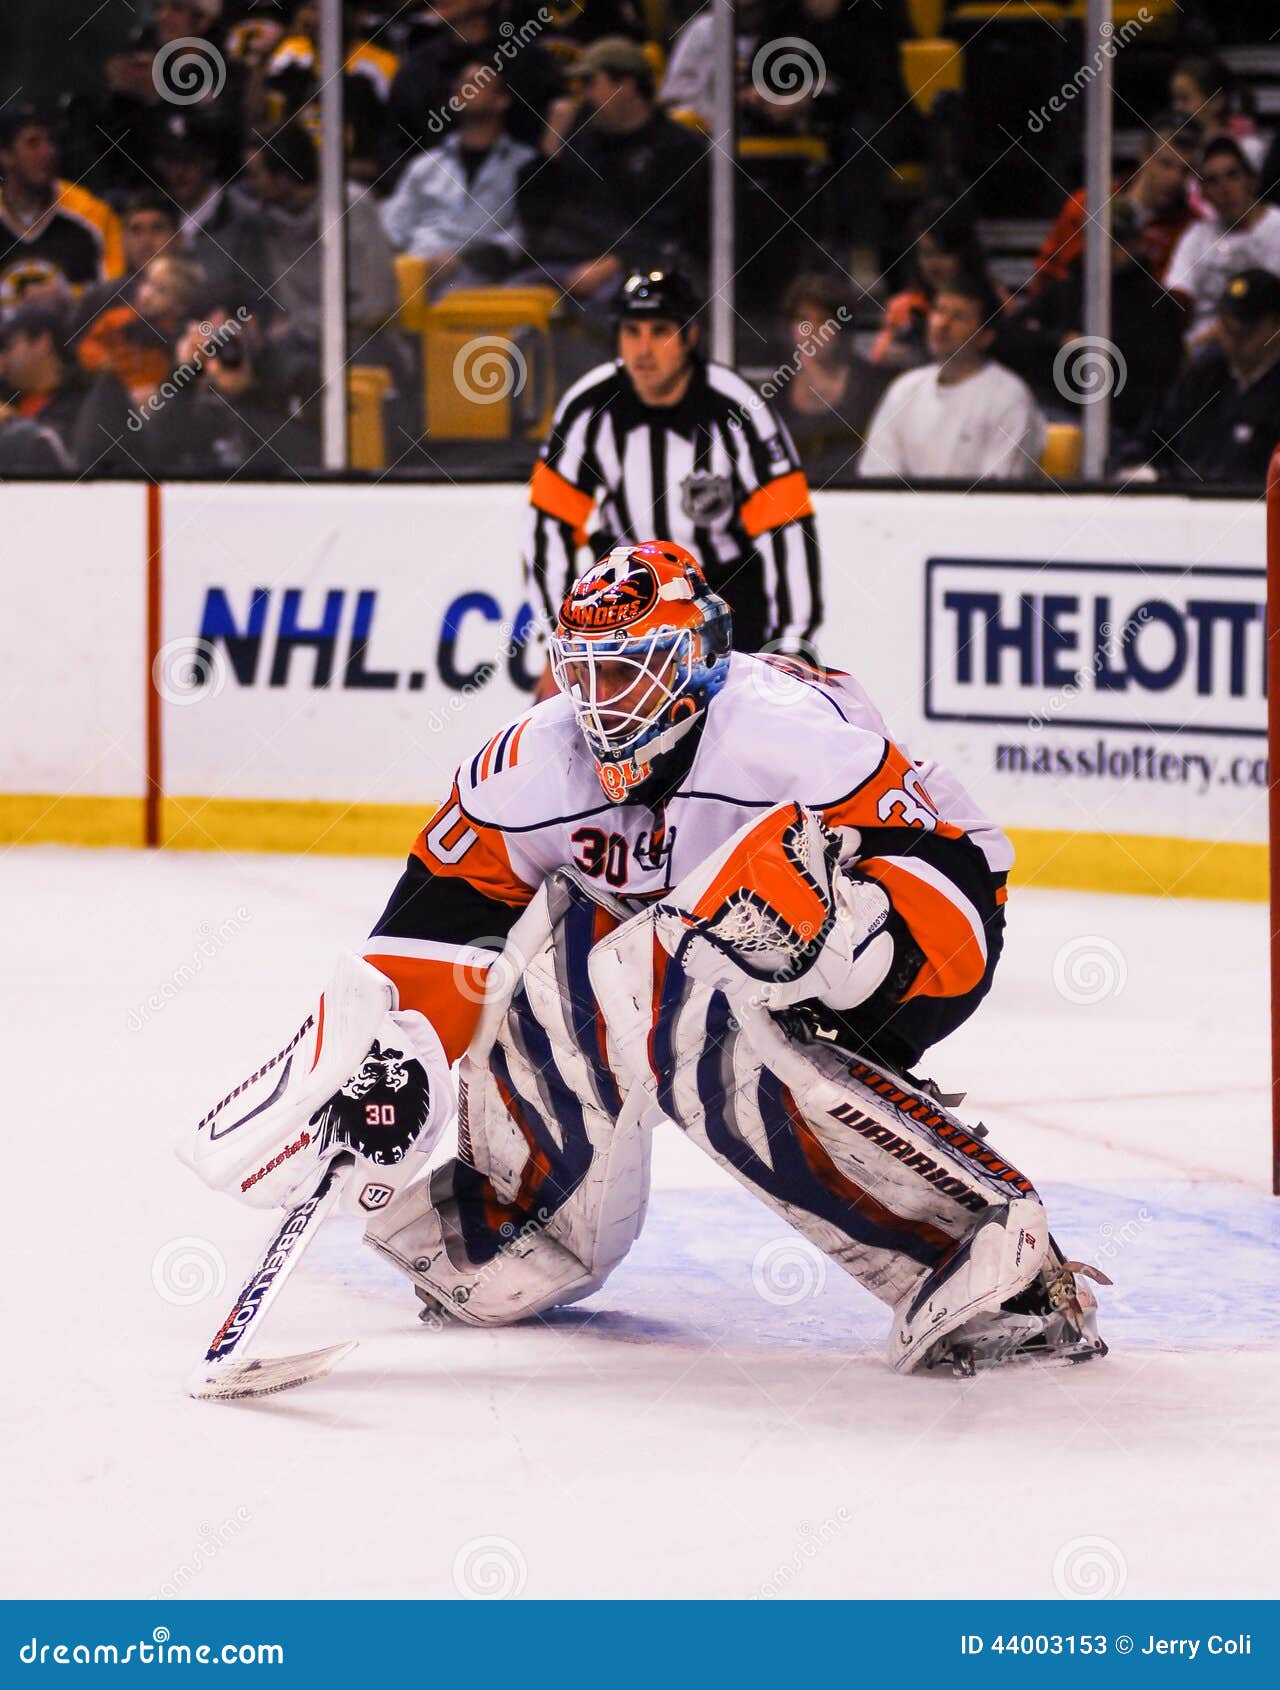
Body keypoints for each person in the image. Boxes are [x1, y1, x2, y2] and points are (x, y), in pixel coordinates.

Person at [180, 539, 1108, 1380]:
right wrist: (398, 1060)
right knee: (555, 952)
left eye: (626, 675)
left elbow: (951, 869)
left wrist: (857, 964)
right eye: (584, 677)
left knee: (690, 980)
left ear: (697, 664)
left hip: (889, 944)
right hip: (690, 951)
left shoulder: (787, 735)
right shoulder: (532, 767)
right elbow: (435, 936)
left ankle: (990, 1258)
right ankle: (517, 1225)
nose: (598, 706)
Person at [524, 268, 822, 656]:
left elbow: (788, 529)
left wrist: (792, 647)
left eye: (660, 331)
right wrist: (560, 642)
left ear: (690, 336)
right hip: (625, 610)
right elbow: (548, 526)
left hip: (724, 607)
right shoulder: (588, 406)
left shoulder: (737, 408)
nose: (643, 350)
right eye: (632, 332)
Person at [516, 37, 709, 306]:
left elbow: (668, 227)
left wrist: (613, 263)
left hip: (644, 265)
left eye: (590, 83)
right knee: (509, 298)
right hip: (568, 262)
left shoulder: (679, 147)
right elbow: (533, 210)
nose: (583, 96)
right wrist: (551, 145)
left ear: (625, 86)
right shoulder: (581, 142)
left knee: (612, 301)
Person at [859, 277, 1046, 482]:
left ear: (985, 336)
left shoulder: (1009, 398)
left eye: (958, 317)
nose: (942, 324)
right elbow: (877, 478)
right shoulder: (904, 389)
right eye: (939, 311)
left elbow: (997, 497)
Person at [379, 61, 536, 293]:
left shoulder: (524, 164)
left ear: (501, 100)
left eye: (477, 83)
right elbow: (393, 228)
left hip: (483, 275)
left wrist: (466, 259)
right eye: (461, 84)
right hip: (417, 273)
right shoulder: (425, 165)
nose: (465, 89)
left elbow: (524, 233)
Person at [1023, 117, 1199, 299]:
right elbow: (1047, 275)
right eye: (1165, 164)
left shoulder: (1190, 228)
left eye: (1185, 170)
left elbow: (1174, 302)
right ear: (1144, 155)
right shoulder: (1086, 205)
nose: (1174, 178)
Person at [1147, 268, 1280, 487]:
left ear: (1275, 326)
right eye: (1227, 330)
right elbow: (1155, 436)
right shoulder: (1203, 377)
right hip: (1185, 504)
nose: (1235, 342)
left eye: (1247, 332)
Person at [0, 107, 123, 312]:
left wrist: (69, 295)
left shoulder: (92, 213)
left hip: (77, 341)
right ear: (5, 155)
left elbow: (119, 293)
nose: (48, 152)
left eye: (50, 141)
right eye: (33, 143)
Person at [775, 272, 890, 481]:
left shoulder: (872, 387)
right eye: (803, 319)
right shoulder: (777, 392)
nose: (812, 331)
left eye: (823, 321)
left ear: (841, 329)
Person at [1165, 138, 1280, 343]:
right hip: (1200, 346)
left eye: (1232, 175)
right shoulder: (1196, 236)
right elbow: (1176, 297)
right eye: (1212, 181)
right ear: (1203, 194)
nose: (1224, 188)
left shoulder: (1276, 227)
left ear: (1251, 181)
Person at [871, 201, 1000, 371]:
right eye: (926, 254)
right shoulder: (903, 305)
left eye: (943, 253)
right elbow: (878, 357)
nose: (933, 265)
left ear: (964, 254)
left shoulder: (994, 299)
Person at [0, 299, 84, 469]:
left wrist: (12, 426)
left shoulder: (80, 407)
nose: (4, 358)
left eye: (9, 346)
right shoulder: (7, 397)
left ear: (42, 343)